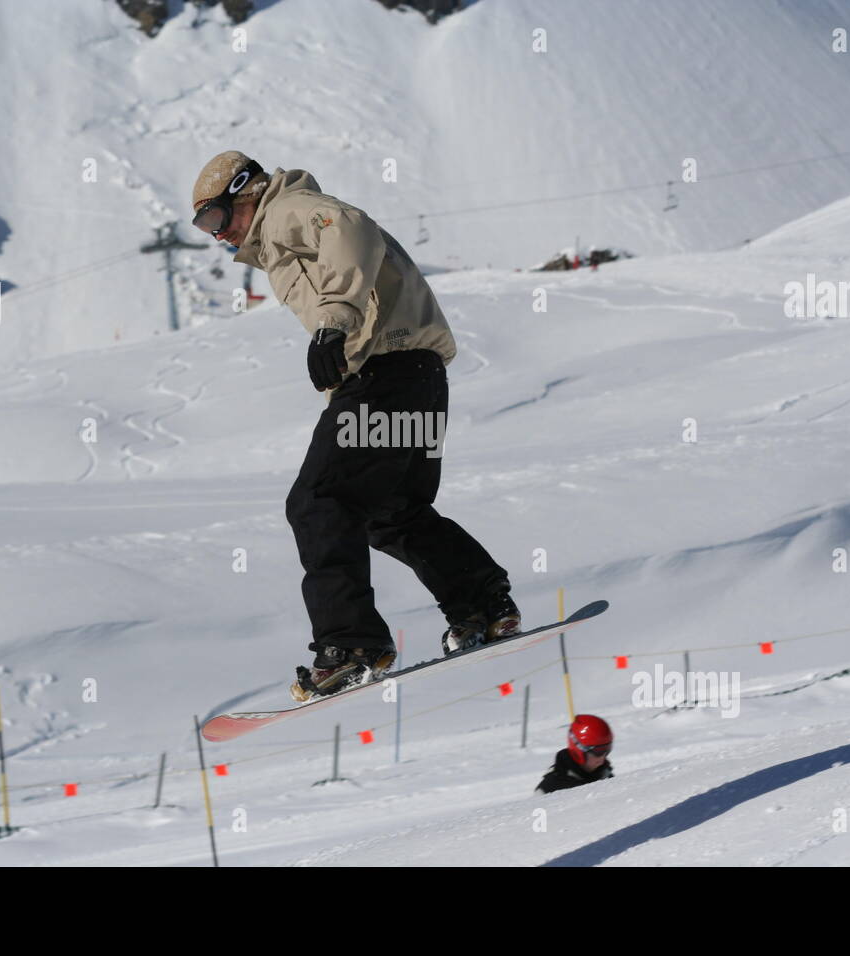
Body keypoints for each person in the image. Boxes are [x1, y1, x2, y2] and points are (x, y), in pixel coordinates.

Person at [190, 150, 520, 701]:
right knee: (393, 513)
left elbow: (350, 228)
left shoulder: (287, 209)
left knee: (318, 502)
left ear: (245, 193)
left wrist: (333, 323)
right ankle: (482, 606)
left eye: (215, 220)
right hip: (418, 378)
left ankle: (352, 645)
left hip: (385, 376)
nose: (216, 236)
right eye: (204, 227)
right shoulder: (278, 233)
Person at [535, 715, 614, 794]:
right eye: (598, 752)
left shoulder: (604, 775)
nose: (603, 758)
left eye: (607, 750)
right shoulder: (551, 787)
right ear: (579, 749)